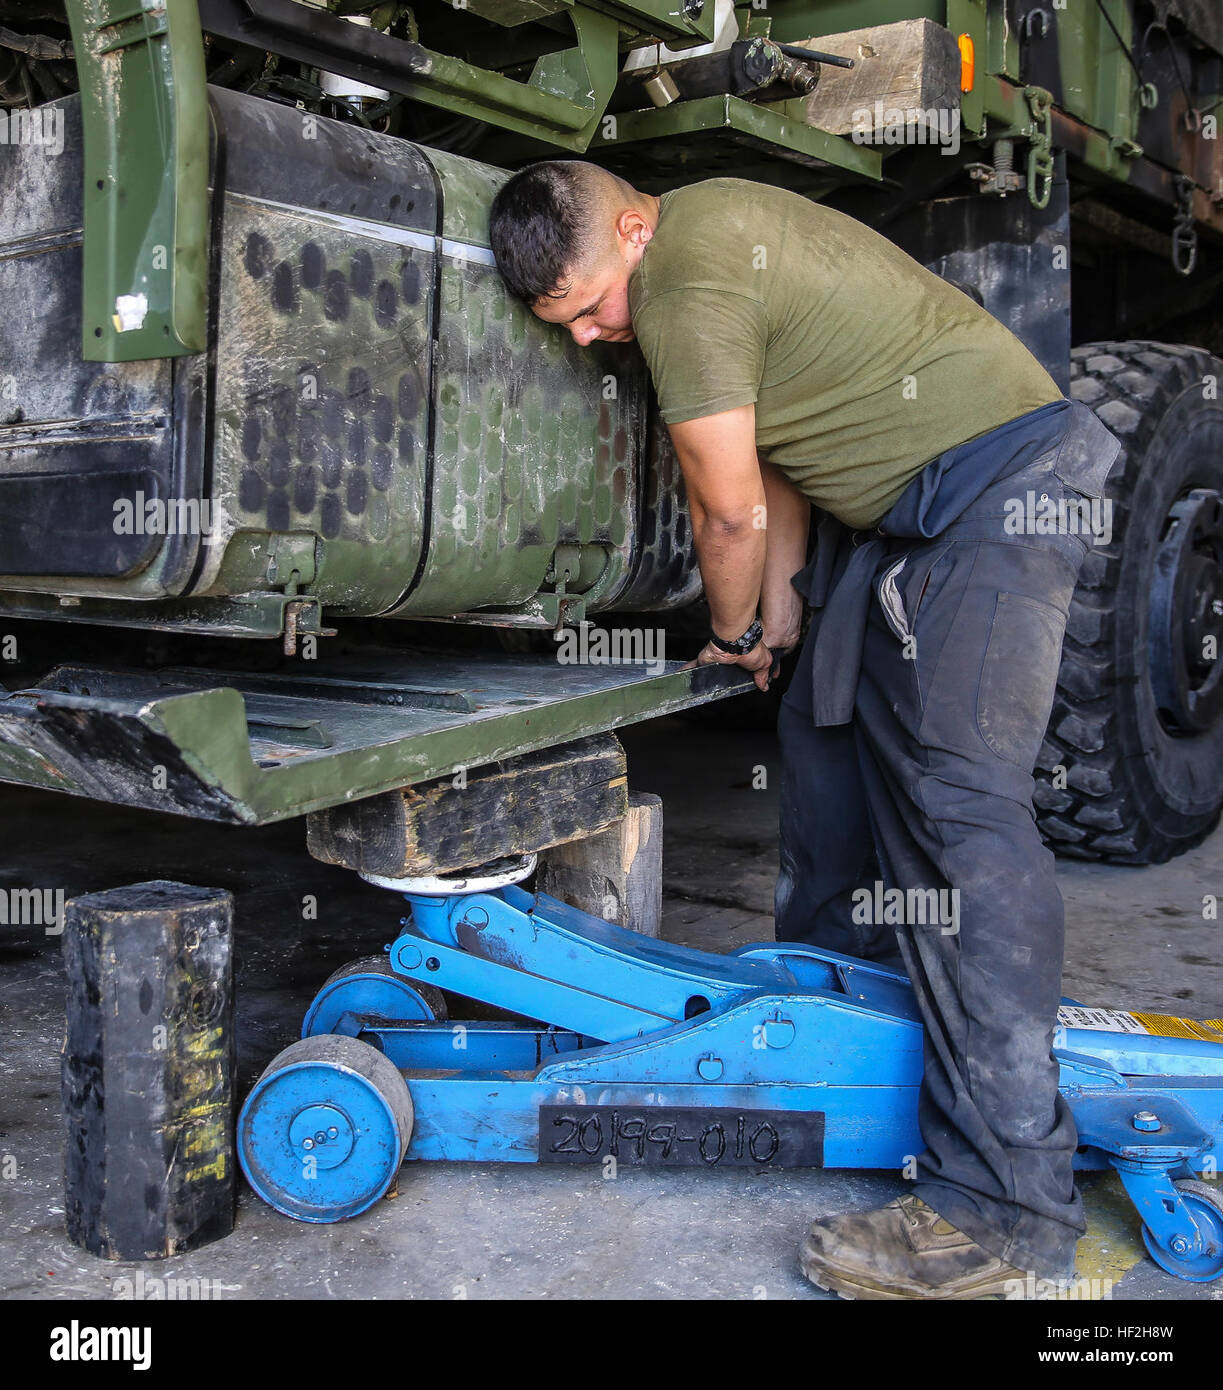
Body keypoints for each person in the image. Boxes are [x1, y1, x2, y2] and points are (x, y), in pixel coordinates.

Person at [488, 163, 1120, 1300]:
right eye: (565, 325)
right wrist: (779, 613)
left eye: (587, 306)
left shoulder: (682, 280)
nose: (587, 337)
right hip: (901, 516)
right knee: (827, 751)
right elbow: (777, 457)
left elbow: (725, 507)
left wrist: (730, 625)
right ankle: (851, 1067)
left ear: (630, 228)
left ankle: (1005, 1211)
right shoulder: (709, 245)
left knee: (956, 813)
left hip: (996, 485)